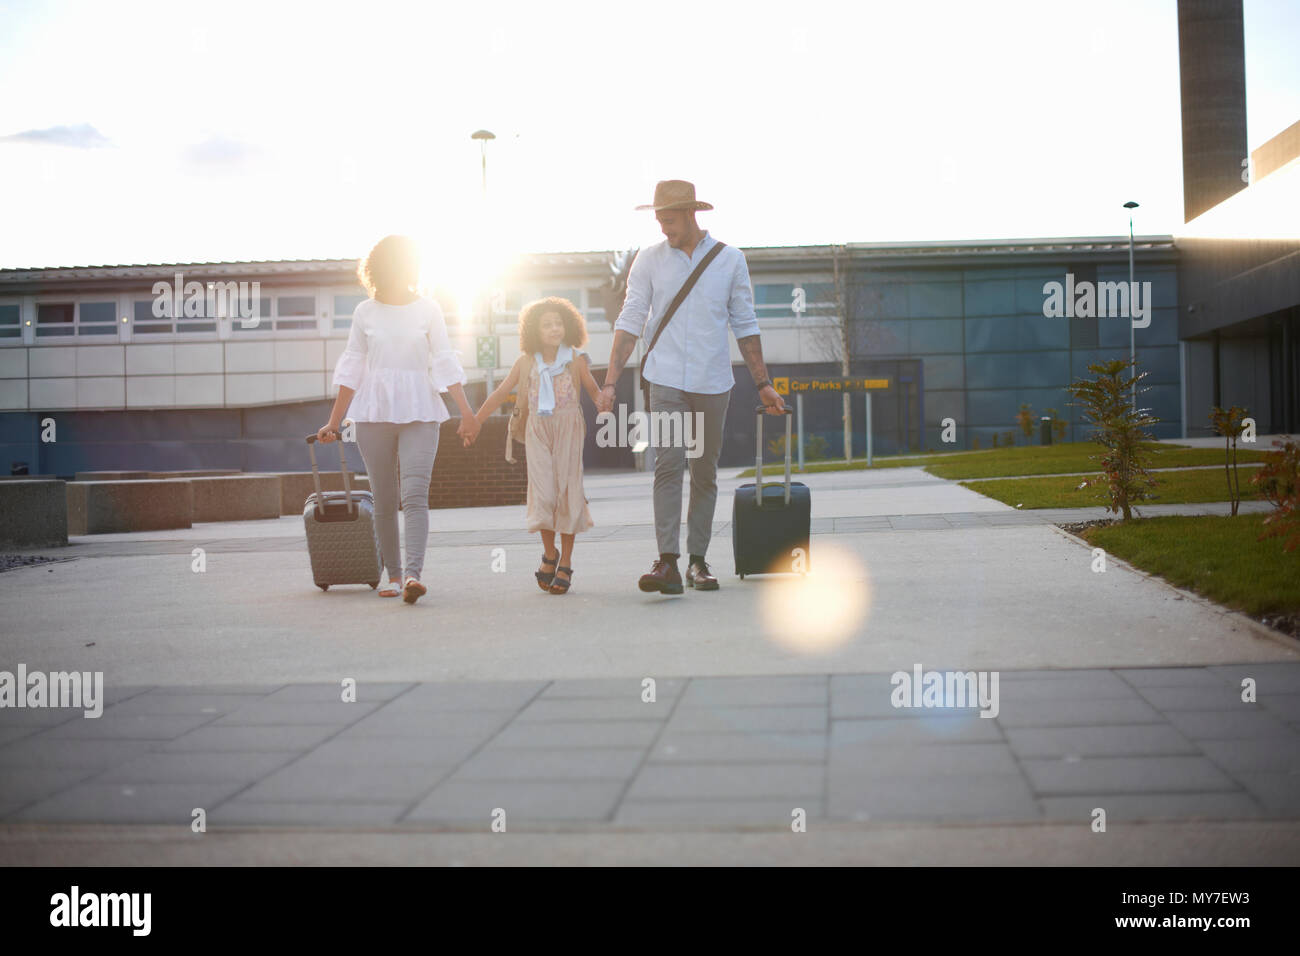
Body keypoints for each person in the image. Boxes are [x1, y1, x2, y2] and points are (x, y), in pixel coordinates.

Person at [597, 180, 785, 594]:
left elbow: (745, 325)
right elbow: (630, 322)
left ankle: (698, 561)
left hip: (713, 381)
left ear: (690, 214)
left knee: (703, 472)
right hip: (664, 378)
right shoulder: (648, 260)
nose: (664, 228)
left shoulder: (730, 260)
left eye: (669, 220)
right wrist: (609, 384)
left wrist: (763, 384)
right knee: (668, 463)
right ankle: (667, 562)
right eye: (659, 220)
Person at [317, 235, 479, 604]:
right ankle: (392, 574)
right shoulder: (364, 313)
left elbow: (443, 360)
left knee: (415, 494)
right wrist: (334, 422)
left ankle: (413, 576)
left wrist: (466, 411)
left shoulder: (428, 309)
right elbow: (353, 367)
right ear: (377, 270)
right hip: (374, 413)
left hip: (421, 409)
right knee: (385, 498)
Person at [474, 297, 601, 594]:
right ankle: (549, 553)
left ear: (568, 326)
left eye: (558, 323)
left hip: (568, 428)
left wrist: (605, 405)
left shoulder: (576, 359)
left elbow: (595, 391)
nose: (554, 329)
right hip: (538, 429)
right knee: (543, 494)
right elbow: (500, 393)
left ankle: (565, 562)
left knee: (568, 493)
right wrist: (476, 420)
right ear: (533, 330)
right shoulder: (525, 363)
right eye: (546, 324)